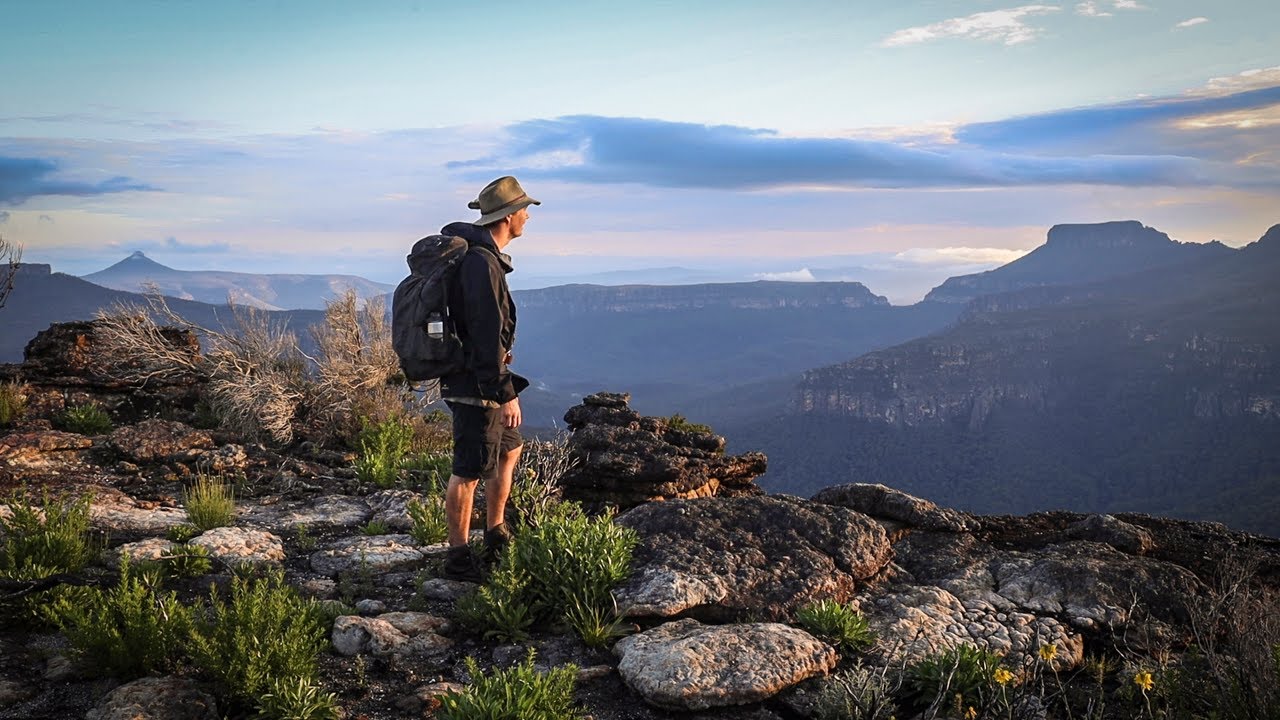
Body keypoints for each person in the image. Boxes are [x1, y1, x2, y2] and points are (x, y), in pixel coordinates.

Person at [437, 176, 538, 582]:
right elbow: (483, 333)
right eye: (524, 211)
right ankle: (458, 558)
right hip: (475, 383)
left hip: (484, 377)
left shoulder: (486, 259)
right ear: (509, 216)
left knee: (509, 450)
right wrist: (505, 393)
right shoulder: (481, 264)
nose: (528, 218)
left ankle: (496, 533)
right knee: (469, 470)